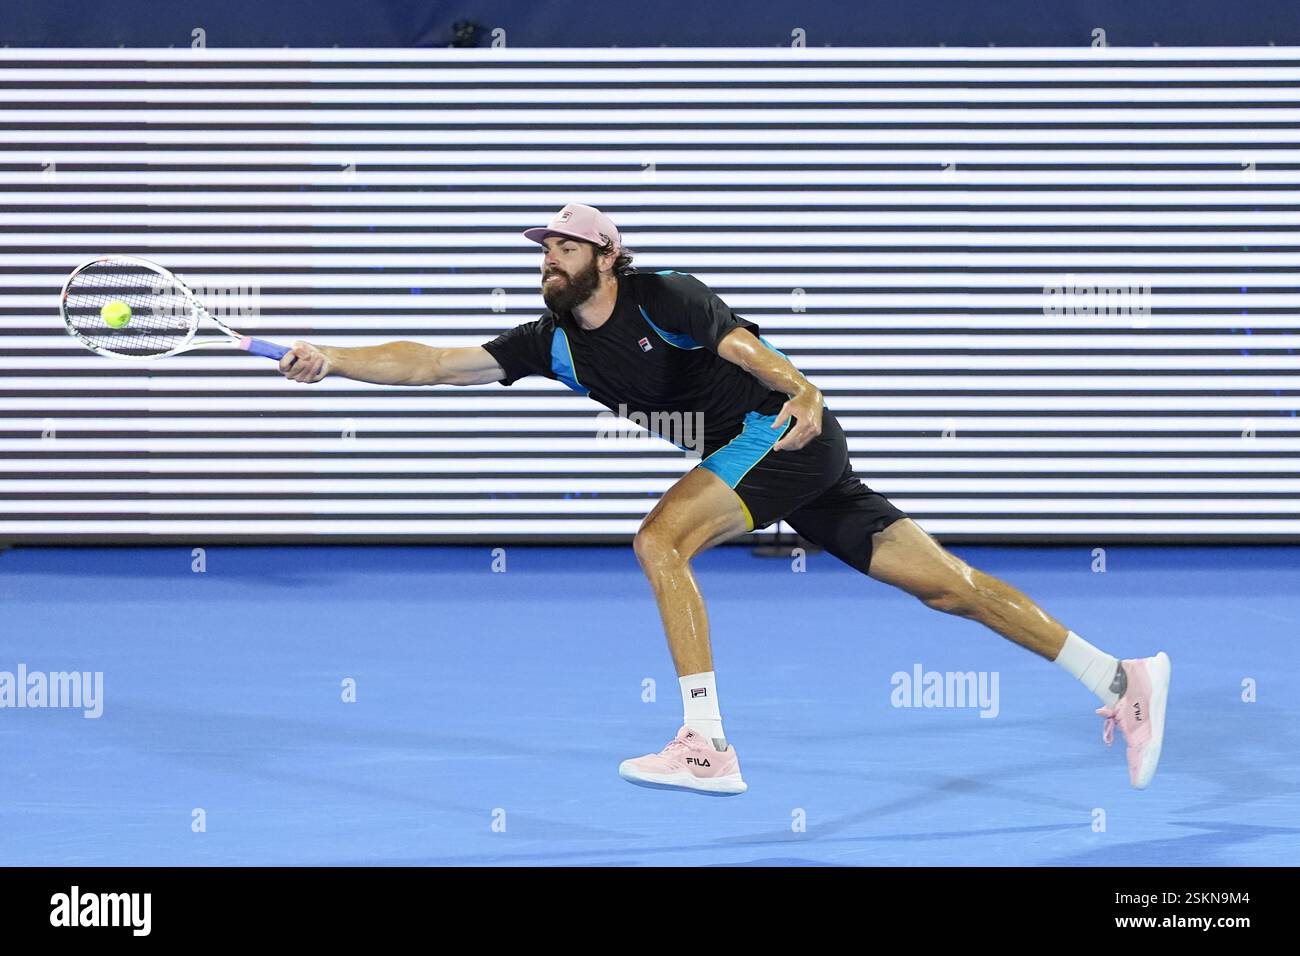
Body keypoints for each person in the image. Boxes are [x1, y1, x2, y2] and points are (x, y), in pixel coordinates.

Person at [278, 203, 1172, 796]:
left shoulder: (665, 294)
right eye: (541, 248)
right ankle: (1118, 676)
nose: (547, 258)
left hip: (779, 434)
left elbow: (750, 353)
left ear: (606, 254)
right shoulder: (551, 343)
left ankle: (705, 743)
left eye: (562, 245)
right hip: (783, 464)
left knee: (659, 541)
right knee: (949, 588)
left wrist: (806, 391)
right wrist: (334, 359)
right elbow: (433, 361)